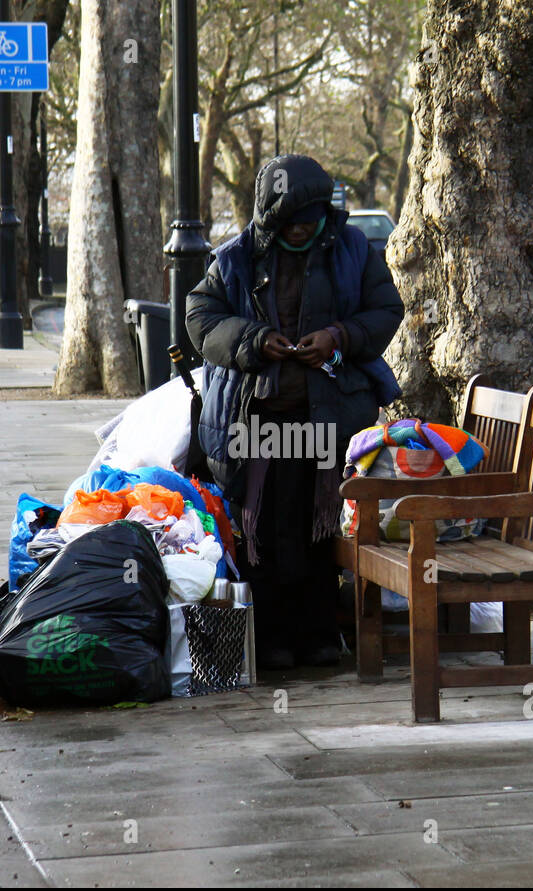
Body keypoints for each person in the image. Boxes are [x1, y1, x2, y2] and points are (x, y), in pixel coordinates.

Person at [187, 154, 404, 669]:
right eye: (294, 220)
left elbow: (384, 310)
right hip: (257, 416)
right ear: (272, 219)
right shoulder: (236, 257)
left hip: (328, 415)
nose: (305, 227)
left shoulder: (351, 249)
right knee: (262, 528)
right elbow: (200, 316)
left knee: (317, 524)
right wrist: (255, 339)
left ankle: (320, 635)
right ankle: (272, 640)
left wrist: (338, 336)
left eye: (313, 217)